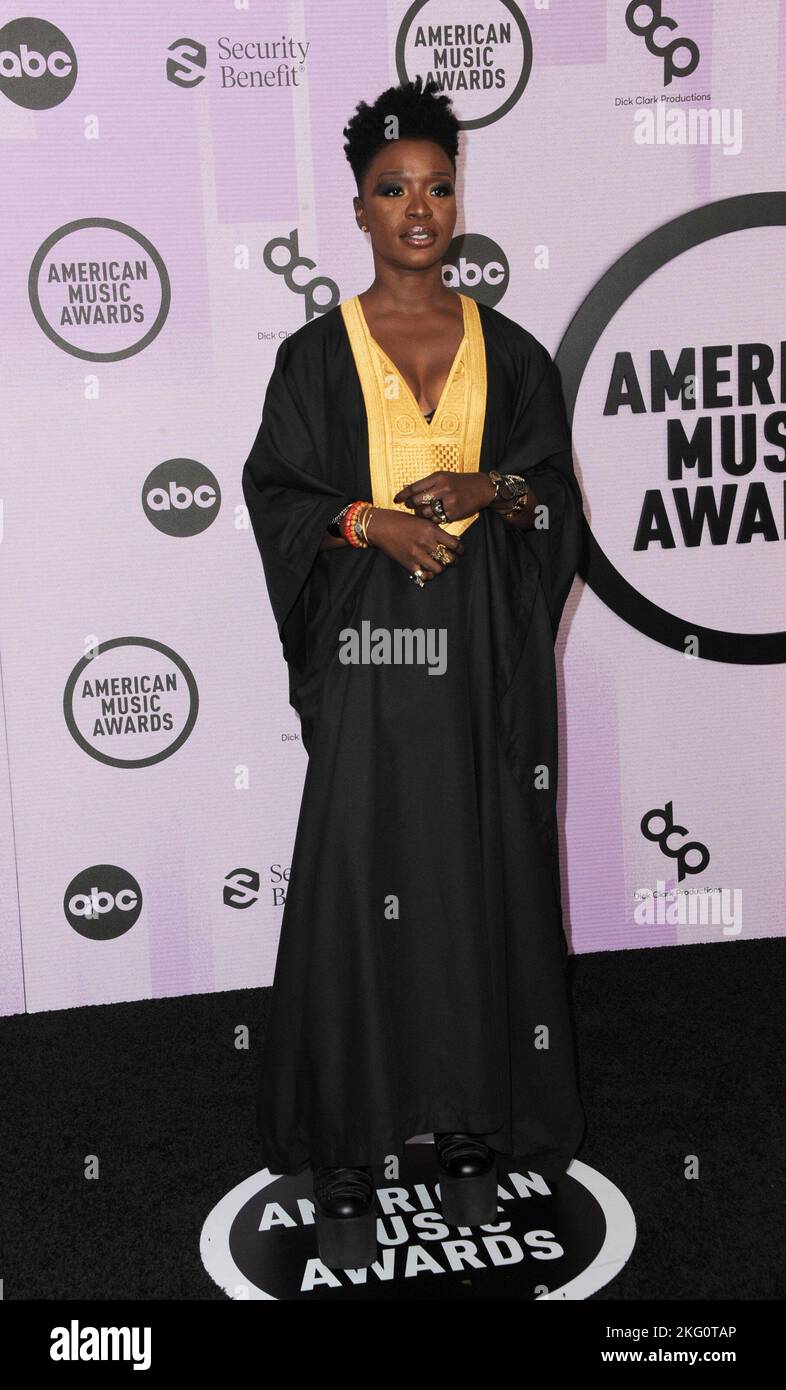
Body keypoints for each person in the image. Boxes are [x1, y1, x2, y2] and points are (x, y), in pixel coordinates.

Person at [242, 75, 586, 1271]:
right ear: (358, 209)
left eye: (438, 187)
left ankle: (471, 1132)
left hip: (482, 680)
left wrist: (495, 486)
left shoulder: (516, 352)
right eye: (395, 190)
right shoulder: (314, 359)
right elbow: (278, 496)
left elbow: (556, 500)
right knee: (354, 894)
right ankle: (346, 1148)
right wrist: (363, 523)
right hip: (370, 670)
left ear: (457, 199)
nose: (420, 209)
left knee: (478, 886)